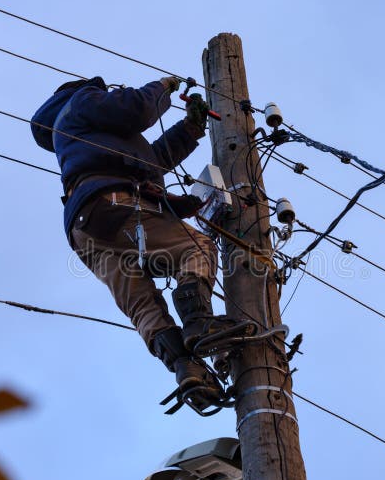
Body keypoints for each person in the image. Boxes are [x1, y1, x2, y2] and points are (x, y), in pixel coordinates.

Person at [31, 75, 233, 412]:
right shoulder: (81, 101)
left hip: (86, 228)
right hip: (113, 203)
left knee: (142, 305)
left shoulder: (76, 134)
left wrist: (191, 128)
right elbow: (138, 109)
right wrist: (162, 86)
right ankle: (199, 322)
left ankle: (187, 368)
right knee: (196, 249)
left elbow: (146, 163)